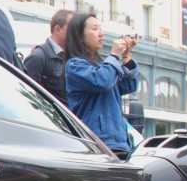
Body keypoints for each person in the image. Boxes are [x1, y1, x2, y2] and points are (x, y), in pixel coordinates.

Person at [64, 13, 139, 154]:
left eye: (101, 28)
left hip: (119, 142)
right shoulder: (74, 66)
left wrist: (126, 58)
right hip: (97, 142)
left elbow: (129, 86)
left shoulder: (103, 65)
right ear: (80, 36)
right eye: (94, 29)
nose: (101, 34)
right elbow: (102, 81)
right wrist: (114, 56)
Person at [23, 9, 73, 106]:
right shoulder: (38, 57)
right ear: (58, 30)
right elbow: (31, 99)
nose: (76, 33)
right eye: (72, 29)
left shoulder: (72, 57)